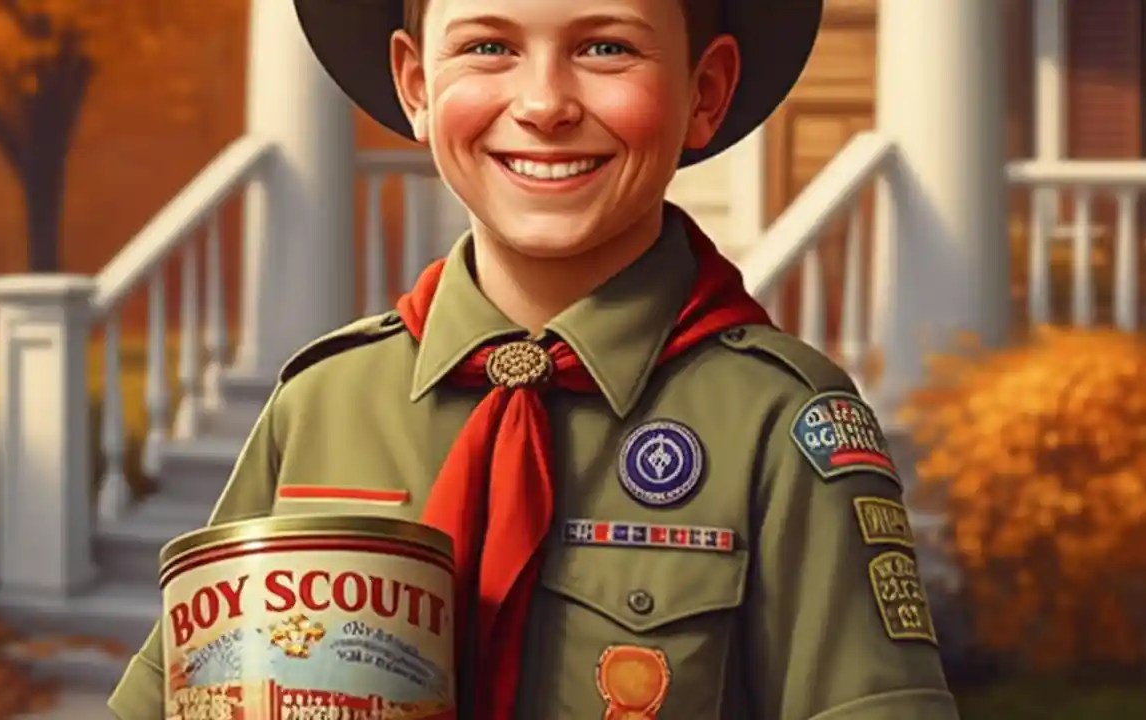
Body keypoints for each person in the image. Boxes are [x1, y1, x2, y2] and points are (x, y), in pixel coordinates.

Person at [109, 0, 961, 717]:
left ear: (705, 92)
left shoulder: (780, 424)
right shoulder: (324, 402)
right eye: (489, 47)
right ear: (416, 86)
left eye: (606, 48)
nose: (545, 103)